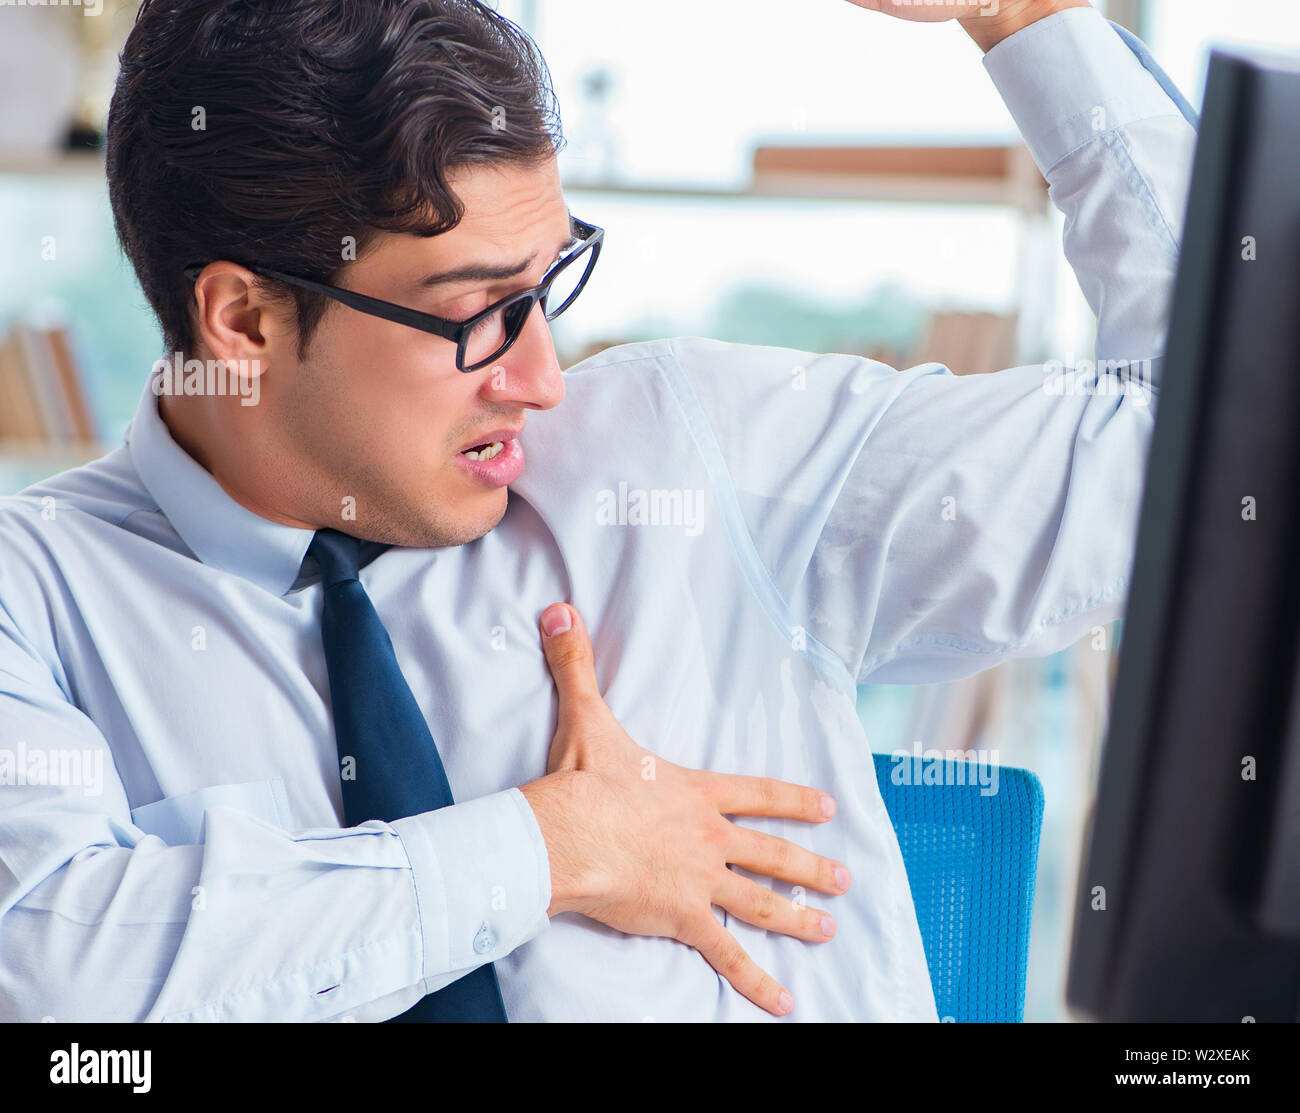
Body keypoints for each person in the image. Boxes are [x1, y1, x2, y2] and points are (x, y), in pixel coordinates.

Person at [0, 0, 1196, 1021]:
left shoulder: (690, 453)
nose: (541, 377)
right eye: (474, 311)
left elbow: (1197, 452)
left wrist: (1030, 25)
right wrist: (551, 849)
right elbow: (48, 976)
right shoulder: (36, 594)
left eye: (550, 284)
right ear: (244, 322)